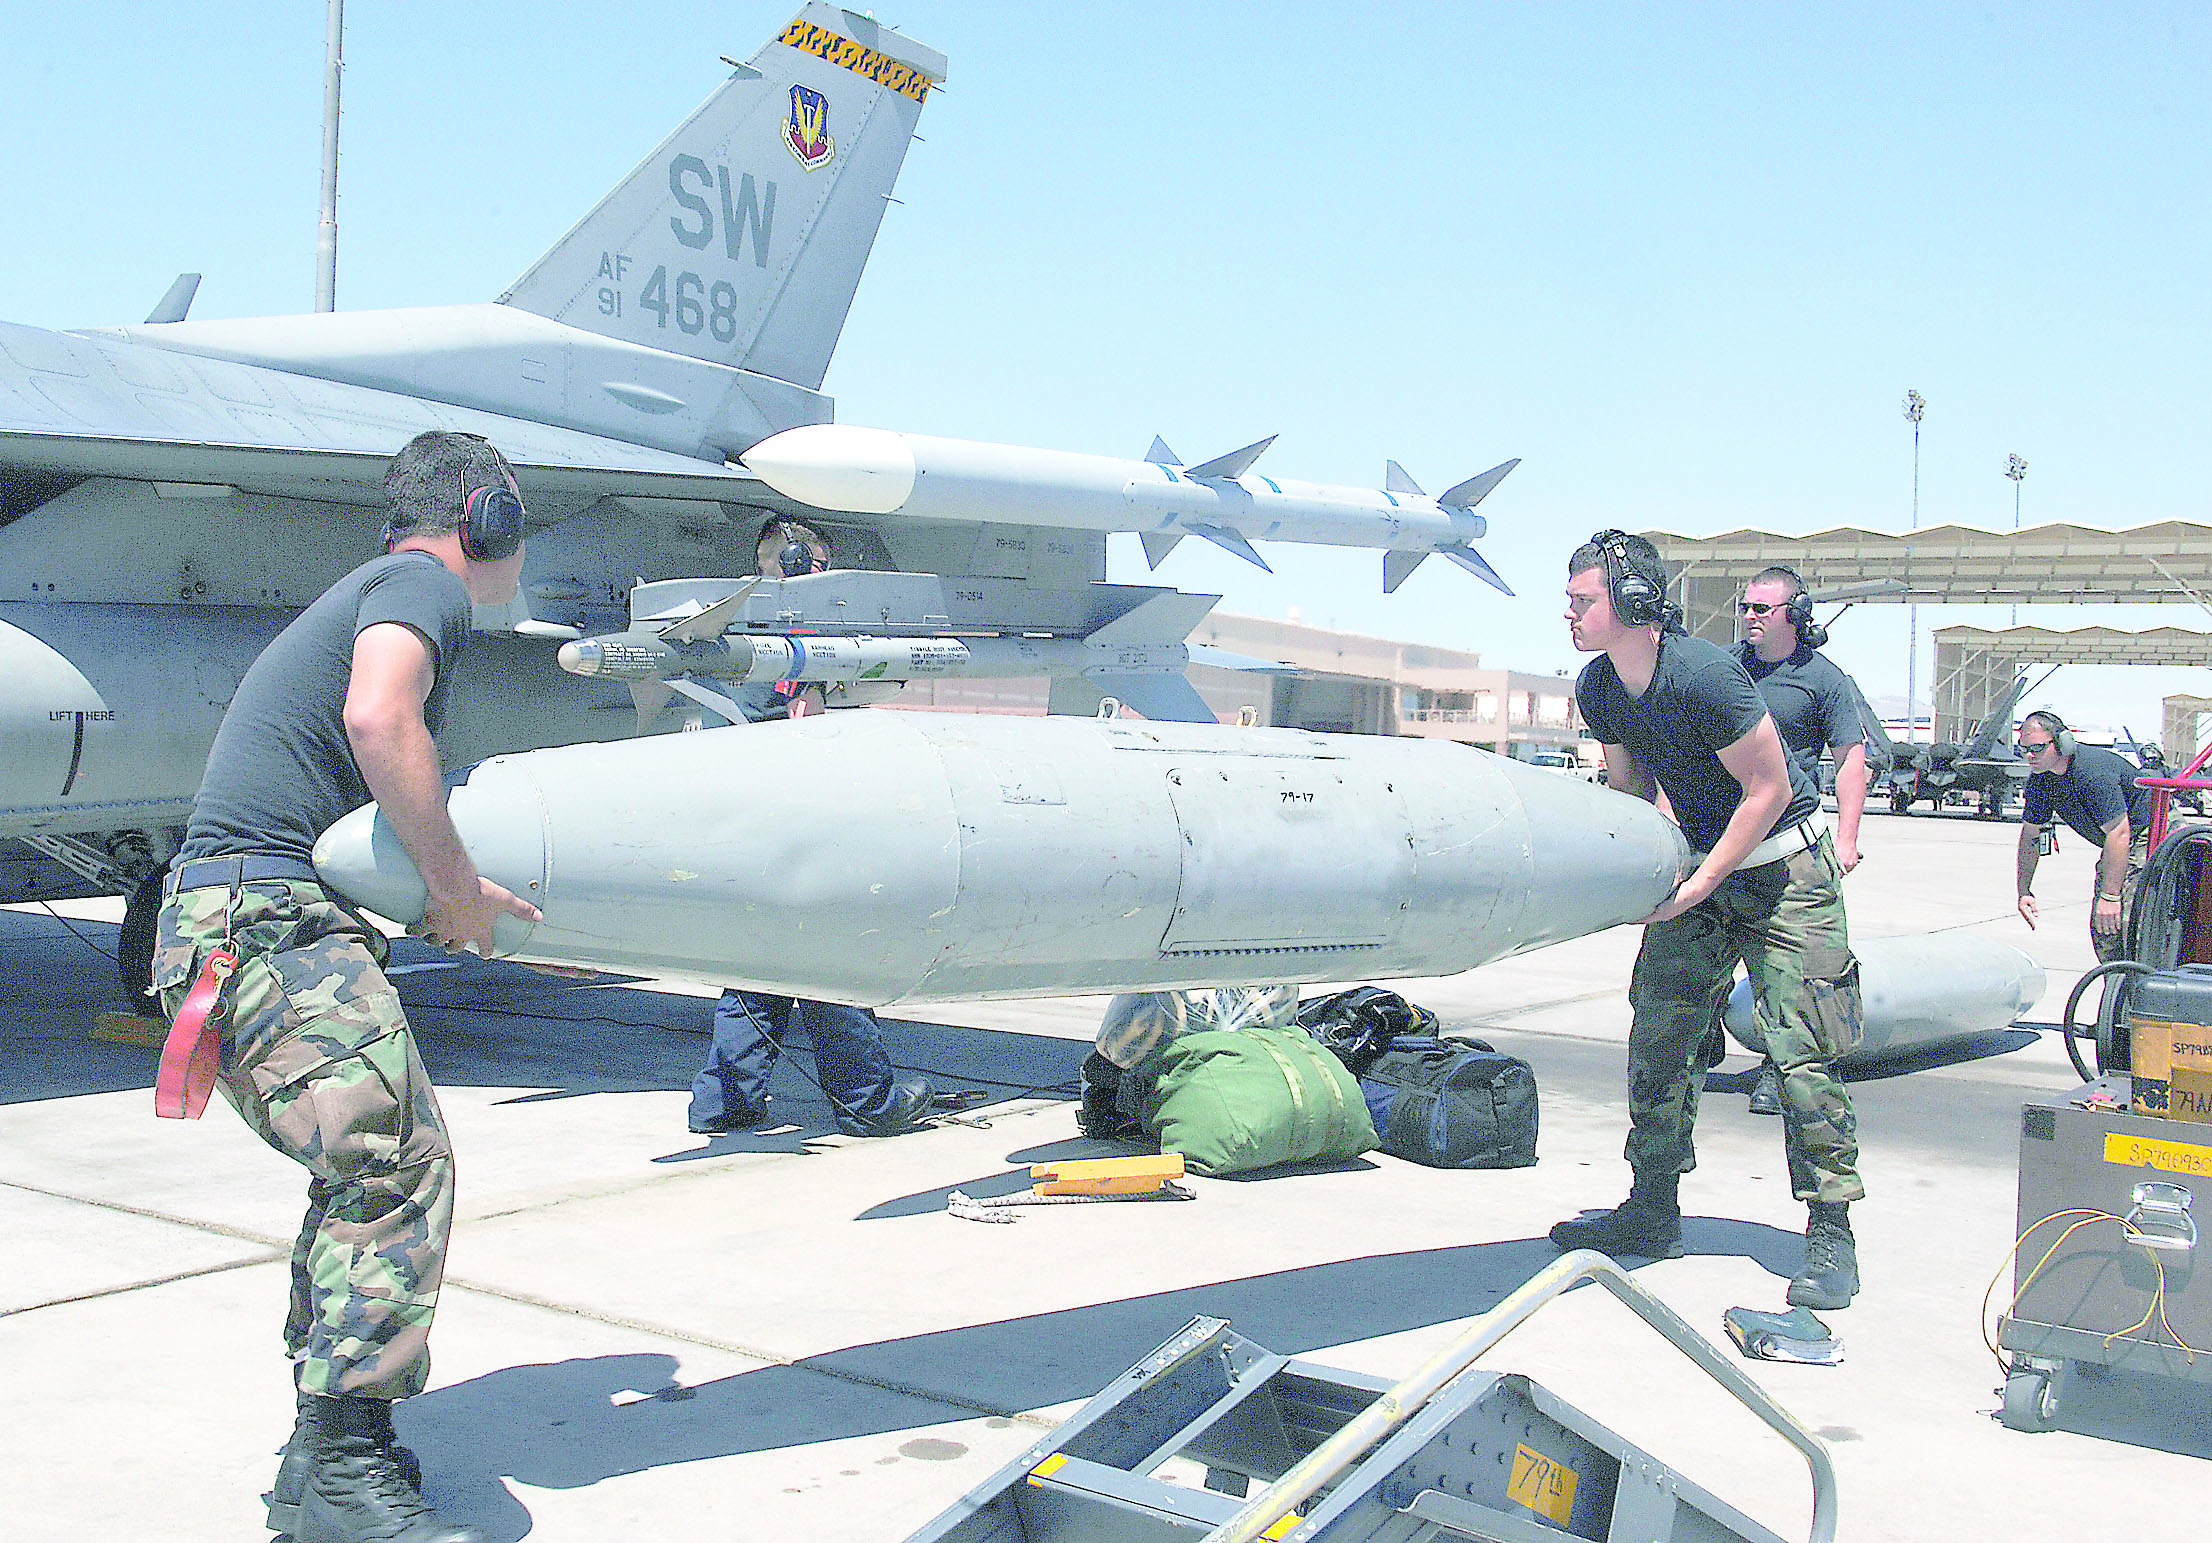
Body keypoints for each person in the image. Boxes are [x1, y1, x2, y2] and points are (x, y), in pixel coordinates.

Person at [152, 431, 539, 1543]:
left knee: (358, 1170)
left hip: (241, 917)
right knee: (395, 1166)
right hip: (264, 918)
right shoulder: (423, 585)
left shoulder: (379, 581)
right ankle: (339, 1474)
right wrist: (452, 886)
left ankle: (323, 1457)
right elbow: (379, 716)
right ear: (487, 519)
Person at [1550, 531, 1866, 1310]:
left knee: (1802, 1050)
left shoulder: (1706, 676)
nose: (1569, 611)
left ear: (1631, 603)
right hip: (1701, 872)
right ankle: (1653, 1208)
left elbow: (1766, 788)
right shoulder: (1600, 687)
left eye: (1583, 598)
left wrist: (1703, 881)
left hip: (1785, 869)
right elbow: (1630, 789)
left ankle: (1832, 1230)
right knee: (1659, 1032)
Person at [686, 517, 936, 1137]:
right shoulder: (786, 635)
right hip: (795, 821)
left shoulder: (732, 628)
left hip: (740, 821)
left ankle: (725, 1101)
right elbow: (809, 725)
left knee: (757, 965)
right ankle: (870, 1102)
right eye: (814, 565)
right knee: (829, 957)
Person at [1730, 566, 1869, 1116]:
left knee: (1790, 978)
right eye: (1746, 607)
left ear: (1796, 613)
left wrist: (1848, 835)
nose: (1749, 617)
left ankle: (1774, 1068)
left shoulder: (1823, 679)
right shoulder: (1727, 670)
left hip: (1786, 847)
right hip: (1719, 841)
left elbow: (1849, 758)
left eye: (1762, 609)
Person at [2015, 709, 2153, 963]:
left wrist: (2110, 896)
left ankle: (2140, 984)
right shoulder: (2040, 782)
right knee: (2105, 929)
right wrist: (2024, 890)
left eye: (2036, 748)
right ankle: (2118, 989)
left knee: (2125, 916)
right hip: (2121, 838)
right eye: (2024, 748)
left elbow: (2120, 833)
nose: (2029, 756)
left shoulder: (2091, 772)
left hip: (2151, 829)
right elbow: (2031, 836)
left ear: (2062, 743)